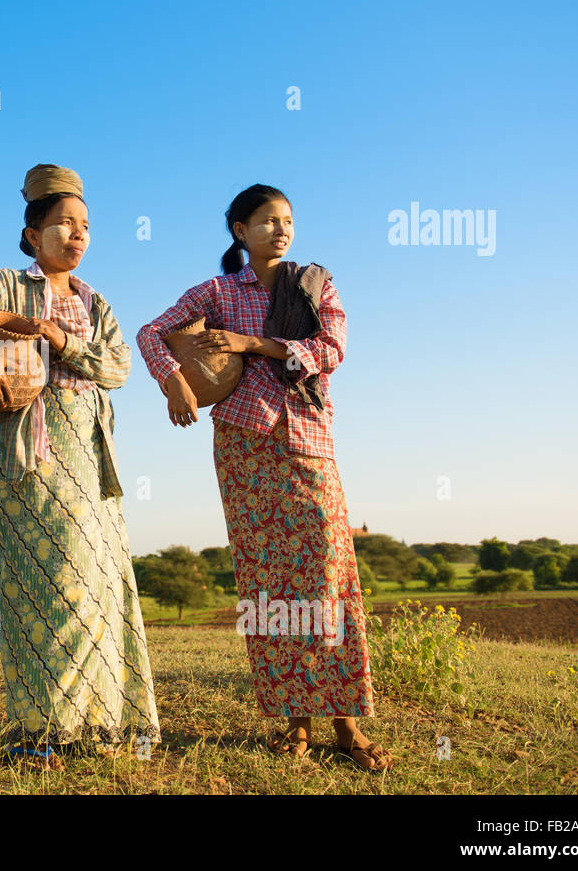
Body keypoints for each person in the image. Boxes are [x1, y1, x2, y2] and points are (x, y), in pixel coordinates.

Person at [135, 183, 392, 771]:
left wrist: (254, 343)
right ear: (239, 231)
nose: (281, 230)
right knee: (269, 584)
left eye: (288, 220)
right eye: (267, 221)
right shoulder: (218, 290)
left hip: (307, 439)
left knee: (329, 574)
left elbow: (332, 349)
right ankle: (294, 723)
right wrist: (173, 381)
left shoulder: (316, 284)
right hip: (244, 444)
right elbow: (152, 332)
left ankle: (347, 723)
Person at [0, 164, 161, 771]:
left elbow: (119, 368)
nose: (76, 235)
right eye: (62, 224)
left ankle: (102, 721)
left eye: (84, 226)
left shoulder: (93, 299)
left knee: (101, 586)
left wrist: (62, 344)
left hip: (93, 455)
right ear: (32, 233)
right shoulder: (6, 285)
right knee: (47, 585)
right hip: (31, 452)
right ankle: (40, 730)